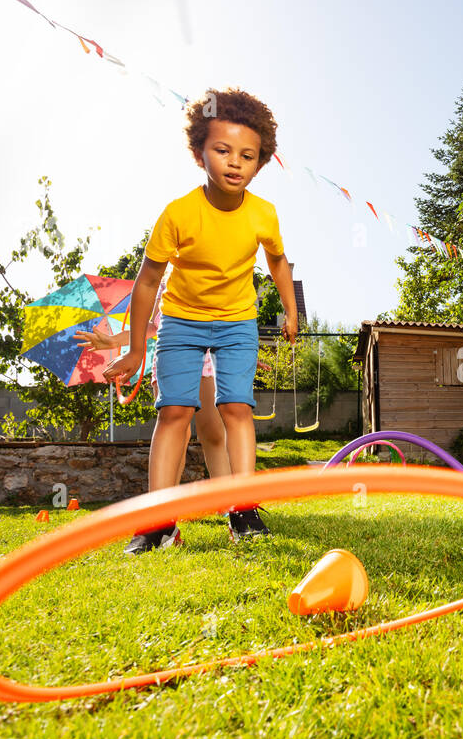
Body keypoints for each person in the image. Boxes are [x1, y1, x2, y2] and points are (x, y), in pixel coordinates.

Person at [104, 87, 299, 553]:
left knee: (236, 409)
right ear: (199, 154)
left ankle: (242, 509)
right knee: (174, 412)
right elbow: (148, 281)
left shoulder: (263, 215)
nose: (235, 162)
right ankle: (159, 520)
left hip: (237, 323)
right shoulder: (178, 214)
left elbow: (277, 262)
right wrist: (135, 349)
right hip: (182, 321)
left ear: (261, 162)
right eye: (222, 150)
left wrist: (290, 309)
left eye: (247, 155)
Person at [74, 268, 230, 485]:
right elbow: (153, 326)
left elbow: (228, 324)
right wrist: (113, 341)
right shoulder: (167, 282)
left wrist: (242, 353)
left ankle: (231, 507)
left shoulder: (215, 274)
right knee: (178, 432)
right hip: (170, 355)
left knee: (214, 432)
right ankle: (165, 508)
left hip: (205, 356)